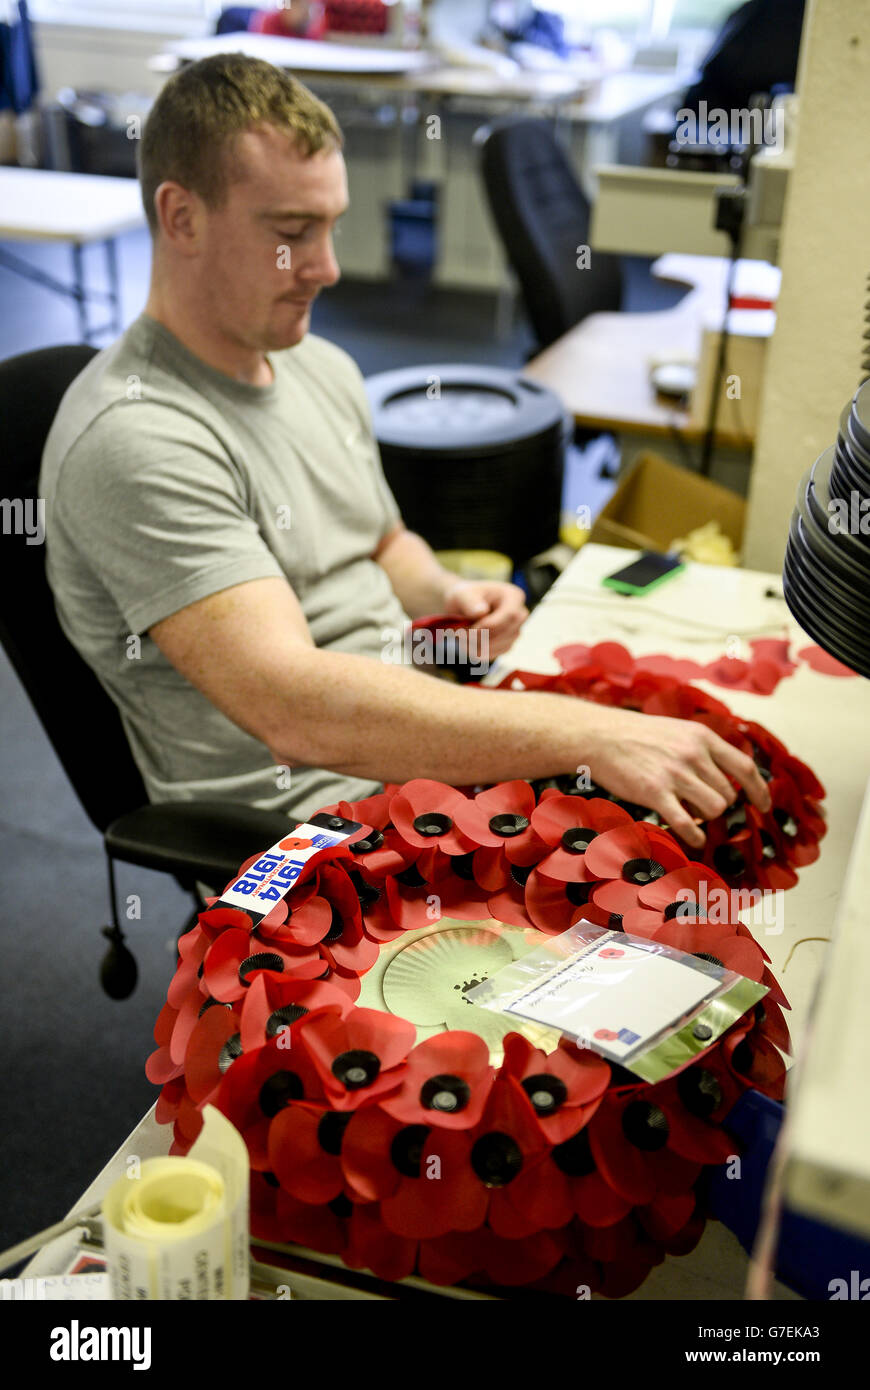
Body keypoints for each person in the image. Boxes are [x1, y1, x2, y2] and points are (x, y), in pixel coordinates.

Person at [40, 53, 770, 847]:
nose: (326, 268)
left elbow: (382, 540)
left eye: (331, 226)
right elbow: (293, 710)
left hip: (417, 748)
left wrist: (444, 594)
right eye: (291, 233)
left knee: (725, 790)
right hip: (313, 826)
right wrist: (583, 734)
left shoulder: (317, 363)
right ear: (181, 218)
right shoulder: (136, 439)